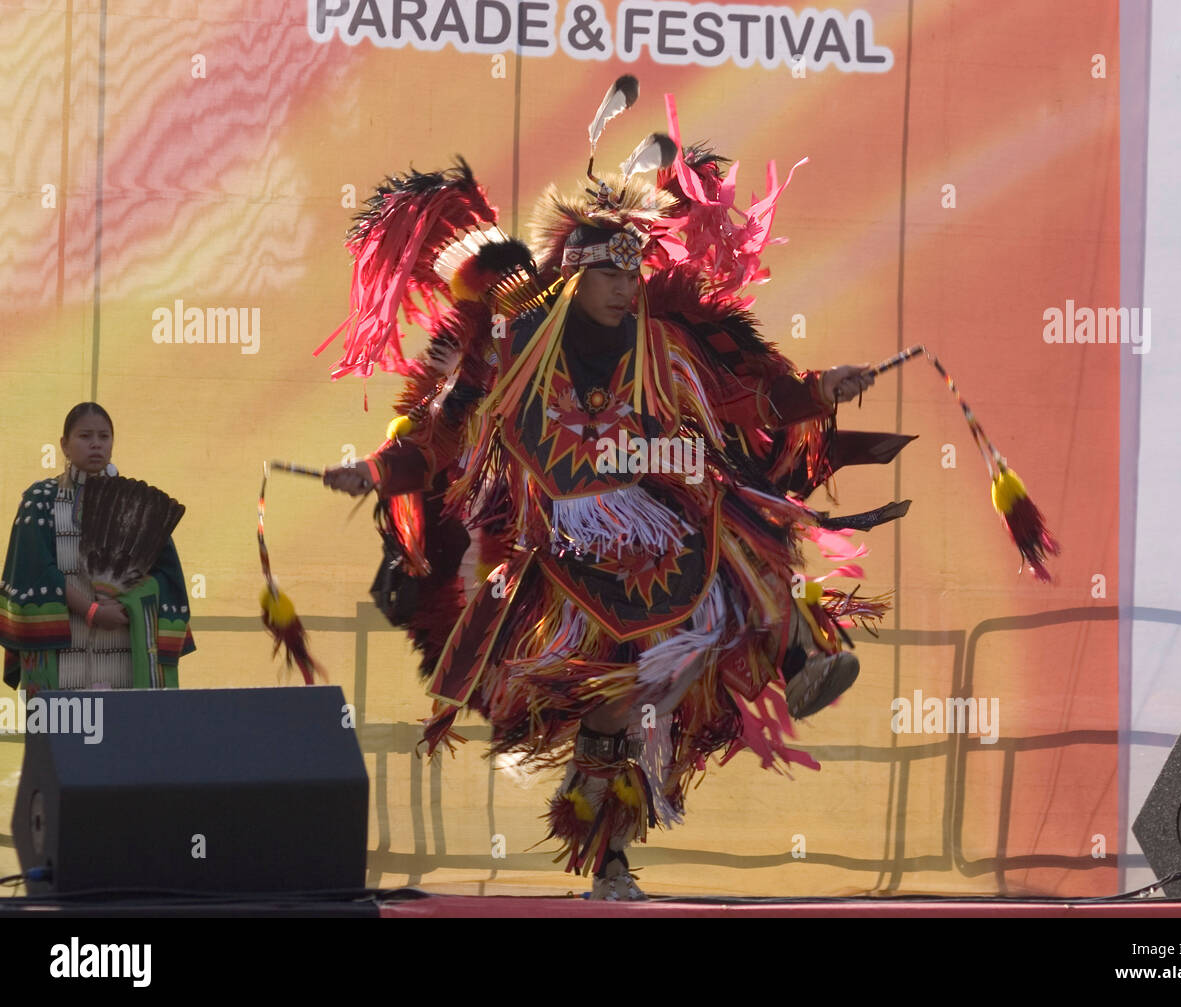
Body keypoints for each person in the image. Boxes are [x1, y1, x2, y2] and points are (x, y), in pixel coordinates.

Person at [318, 99, 914, 899]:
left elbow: (752, 400)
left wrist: (817, 392)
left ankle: (794, 650)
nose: (624, 283)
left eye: (632, 269)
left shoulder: (668, 343)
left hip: (667, 534)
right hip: (557, 554)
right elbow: (436, 437)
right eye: (607, 270)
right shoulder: (509, 348)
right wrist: (377, 470)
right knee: (606, 708)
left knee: (745, 521)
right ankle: (610, 857)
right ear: (570, 278)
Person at [0, 403, 195, 692]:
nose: (96, 444)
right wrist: (92, 612)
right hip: (61, 657)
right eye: (85, 436)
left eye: (104, 437)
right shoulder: (40, 500)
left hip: (126, 654)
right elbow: (34, 574)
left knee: (124, 734)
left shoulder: (137, 504)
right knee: (63, 733)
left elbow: (168, 581)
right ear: (64, 445)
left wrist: (127, 604)